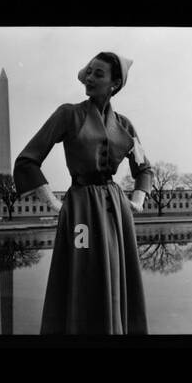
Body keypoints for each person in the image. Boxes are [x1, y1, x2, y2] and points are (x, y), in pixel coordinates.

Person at [12, 53, 152, 334]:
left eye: (98, 74)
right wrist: (52, 202)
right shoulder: (68, 114)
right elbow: (27, 160)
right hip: (81, 210)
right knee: (82, 267)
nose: (89, 78)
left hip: (116, 211)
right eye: (89, 72)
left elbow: (145, 169)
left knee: (113, 274)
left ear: (114, 84)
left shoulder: (125, 125)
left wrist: (137, 200)